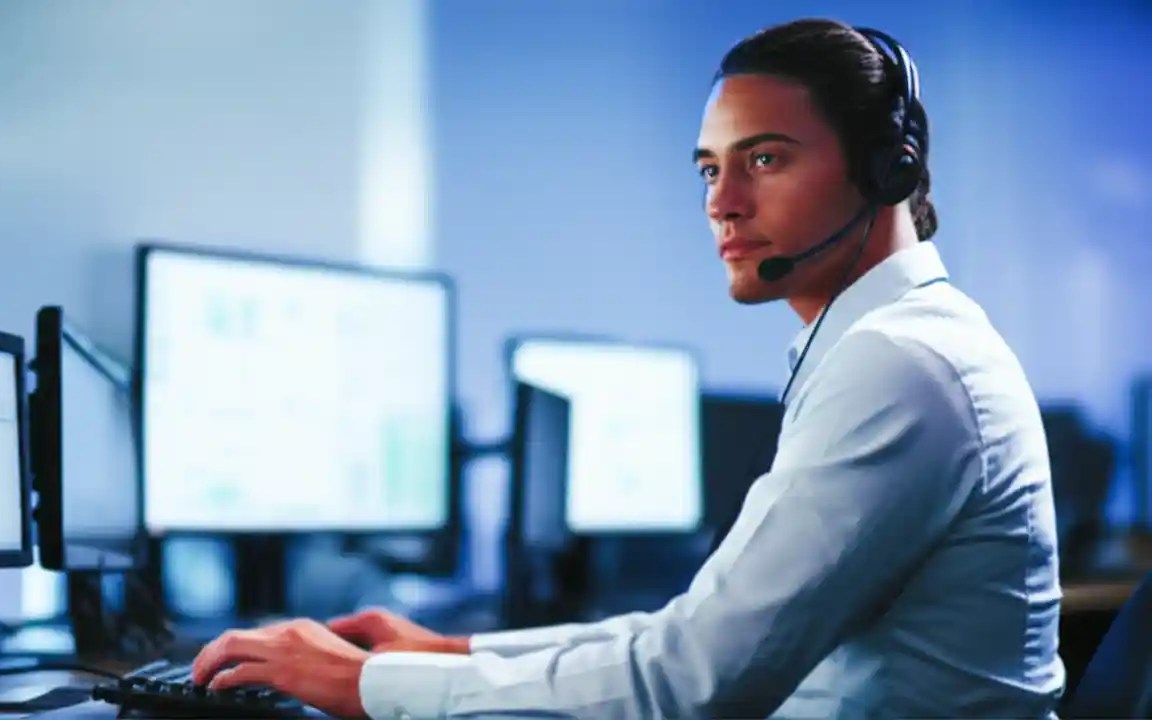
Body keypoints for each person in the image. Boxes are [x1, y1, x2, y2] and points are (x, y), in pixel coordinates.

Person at [190, 18, 1066, 718]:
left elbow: (689, 684)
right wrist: (454, 653)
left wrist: (362, 686)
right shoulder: (888, 342)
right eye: (709, 169)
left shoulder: (900, 365)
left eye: (764, 159)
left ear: (887, 170)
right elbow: (698, 639)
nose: (721, 203)